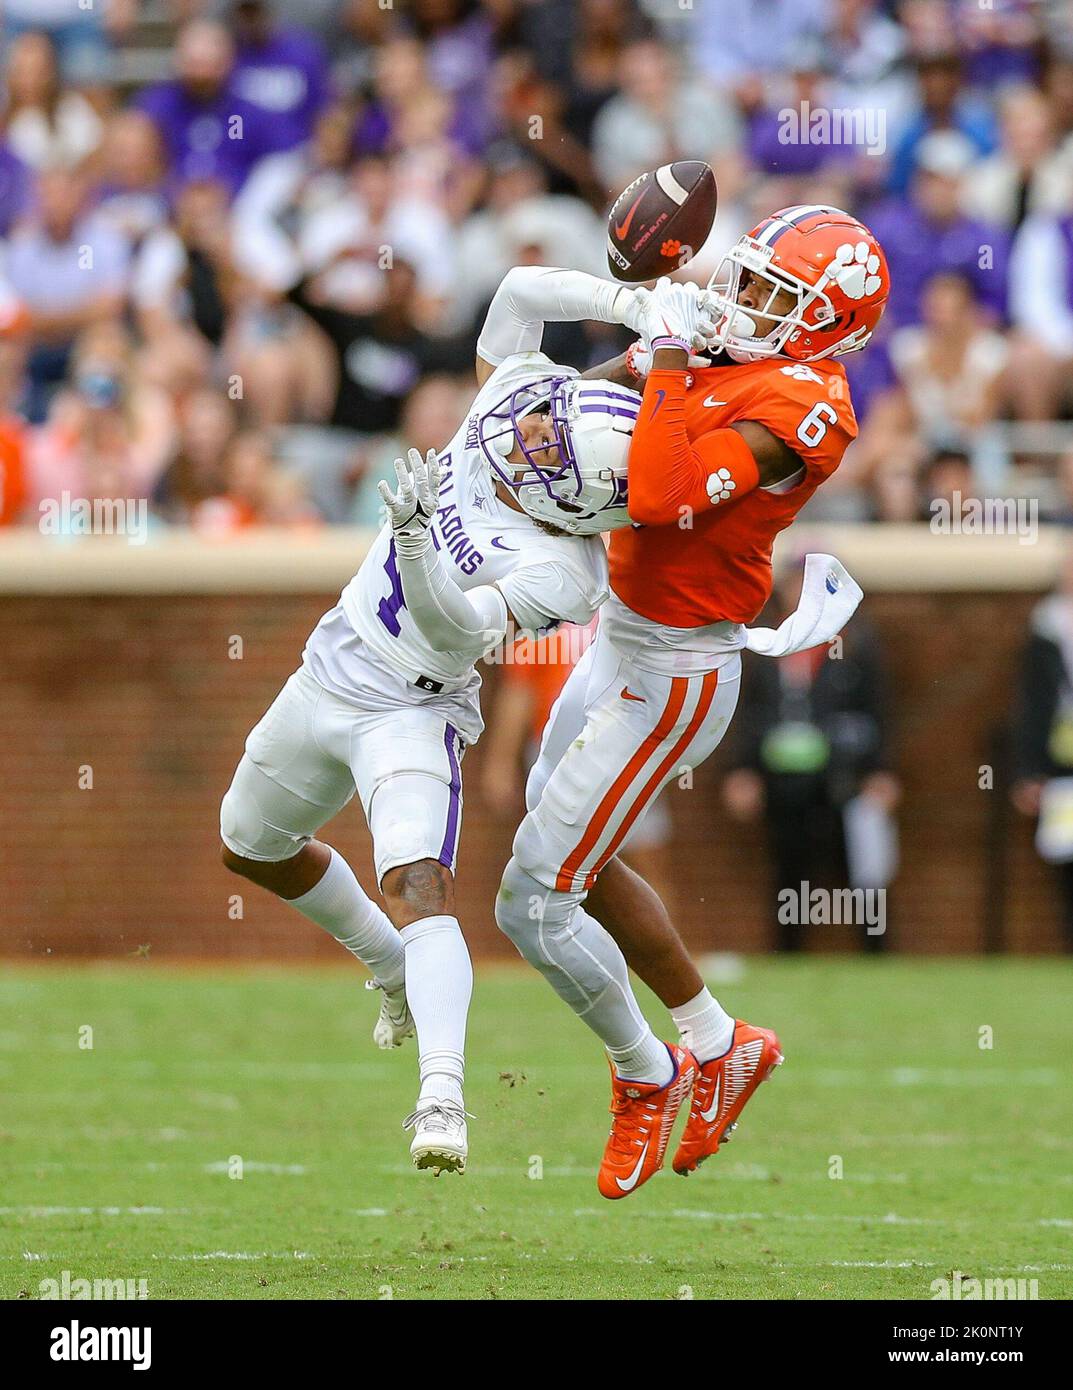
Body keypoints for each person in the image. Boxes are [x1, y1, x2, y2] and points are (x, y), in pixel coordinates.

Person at [219, 263, 654, 1174]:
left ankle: (442, 1101)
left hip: (411, 708)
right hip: (330, 661)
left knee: (419, 888)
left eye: (553, 455)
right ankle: (389, 973)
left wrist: (418, 548)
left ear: (582, 502)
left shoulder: (567, 573)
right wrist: (628, 304)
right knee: (246, 845)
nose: (531, 441)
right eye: (549, 428)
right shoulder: (517, 403)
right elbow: (521, 292)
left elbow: (458, 626)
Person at [493, 204, 889, 1199]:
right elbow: (574, 415)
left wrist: (667, 354)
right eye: (745, 279)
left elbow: (667, 491)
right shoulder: (726, 345)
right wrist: (618, 353)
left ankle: (646, 1071)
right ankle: (719, 1038)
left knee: (531, 895)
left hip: (676, 670)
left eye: (770, 296)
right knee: (568, 850)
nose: (743, 302)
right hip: (618, 634)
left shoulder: (809, 405)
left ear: (822, 325)